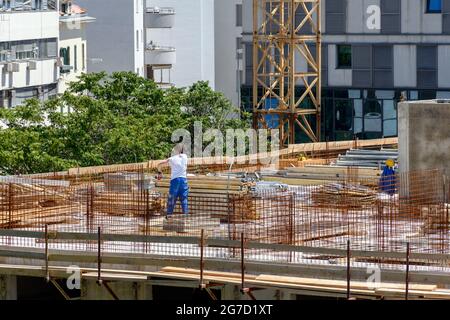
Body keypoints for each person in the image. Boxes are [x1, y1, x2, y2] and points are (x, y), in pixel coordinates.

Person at [157, 144, 189, 218]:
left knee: (172, 198)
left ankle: (169, 216)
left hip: (175, 180)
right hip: (184, 180)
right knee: (184, 199)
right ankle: (186, 217)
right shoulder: (185, 157)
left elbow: (159, 165)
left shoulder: (172, 159)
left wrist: (159, 172)